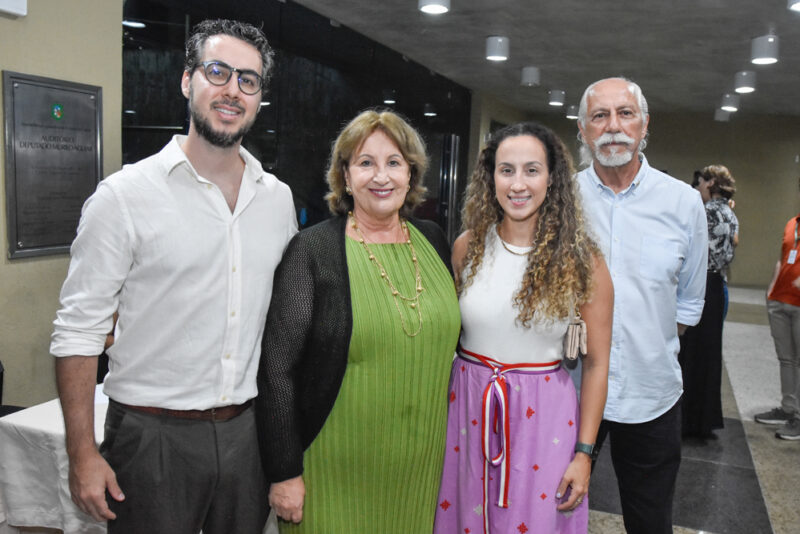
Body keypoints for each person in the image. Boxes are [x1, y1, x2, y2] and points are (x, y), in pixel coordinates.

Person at [50, 19, 297, 533]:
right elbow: (78, 331)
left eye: (248, 80)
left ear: (259, 97)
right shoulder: (122, 198)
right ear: (188, 81)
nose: (233, 90)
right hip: (150, 436)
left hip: (247, 436)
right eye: (218, 71)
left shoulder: (278, 200)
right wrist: (81, 453)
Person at [255, 109, 461, 533]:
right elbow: (276, 370)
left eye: (394, 162)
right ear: (345, 177)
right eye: (365, 163)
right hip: (333, 467)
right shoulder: (313, 251)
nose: (381, 176)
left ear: (411, 174)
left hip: (421, 468)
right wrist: (284, 472)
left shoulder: (435, 240)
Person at [432, 122, 612, 534]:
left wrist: (584, 454)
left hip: (545, 419)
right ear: (489, 178)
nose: (518, 184)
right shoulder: (467, 247)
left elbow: (598, 365)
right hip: (468, 412)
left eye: (532, 170)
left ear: (553, 179)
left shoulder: (584, 261)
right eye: (505, 170)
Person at [575, 77, 708, 534]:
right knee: (552, 512)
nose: (613, 127)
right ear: (583, 130)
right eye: (600, 116)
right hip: (568, 393)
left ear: (644, 124)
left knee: (650, 521)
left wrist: (643, 343)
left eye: (625, 113)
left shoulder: (685, 203)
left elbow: (688, 304)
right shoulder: (560, 200)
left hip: (652, 396)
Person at [679, 164, 739, 439]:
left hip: (701, 284)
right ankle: (704, 418)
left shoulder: (706, 212)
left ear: (711, 182)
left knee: (691, 354)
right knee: (709, 354)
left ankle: (688, 418)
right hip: (718, 286)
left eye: (701, 181)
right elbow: (732, 246)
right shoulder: (730, 213)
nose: (698, 186)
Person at [758, 176, 800, 440]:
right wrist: (771, 289)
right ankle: (788, 408)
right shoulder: (791, 224)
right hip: (780, 300)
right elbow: (782, 258)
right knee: (786, 360)